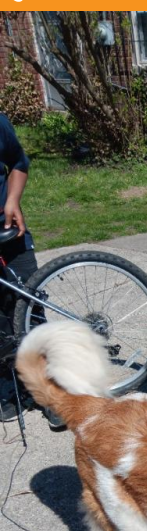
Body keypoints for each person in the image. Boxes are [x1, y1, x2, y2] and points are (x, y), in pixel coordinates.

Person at [0, 112, 38, 422]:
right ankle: (12, 384)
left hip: (8, 232)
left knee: (28, 311)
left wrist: (12, 200)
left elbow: (18, 162)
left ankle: (49, 387)